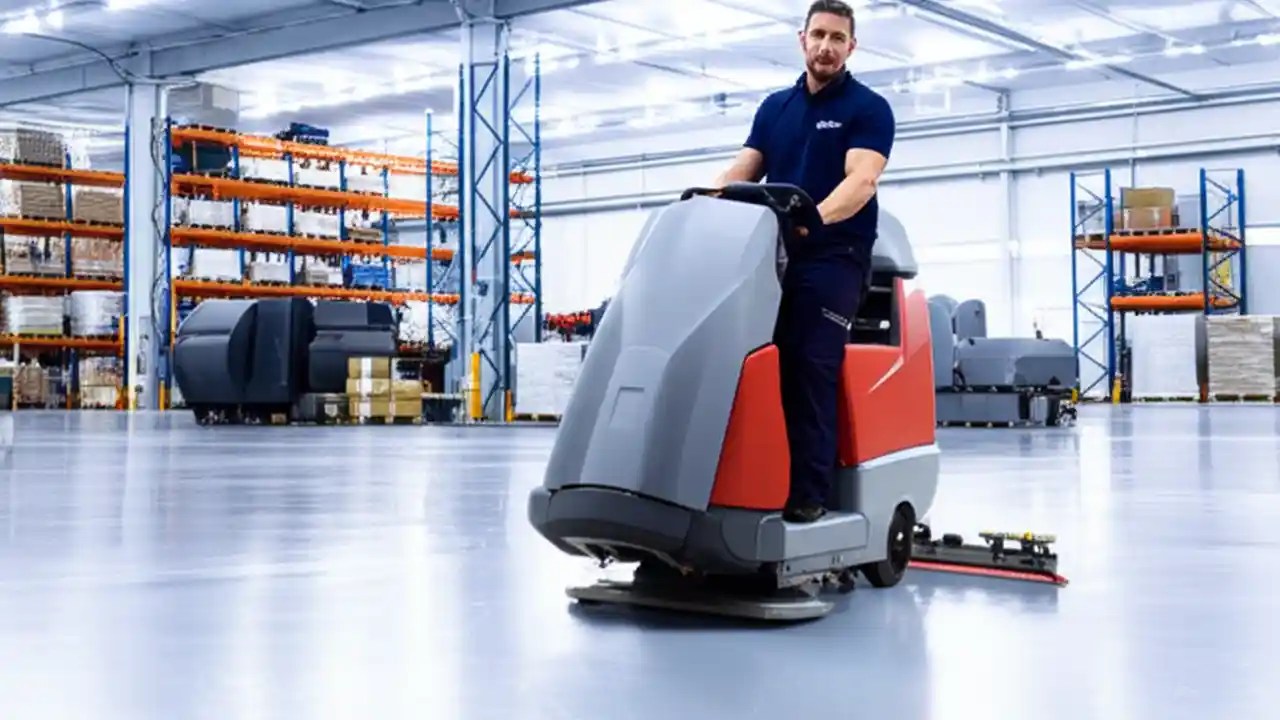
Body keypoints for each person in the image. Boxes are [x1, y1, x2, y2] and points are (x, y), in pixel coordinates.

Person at [713, 0, 895, 523]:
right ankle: (745, 478)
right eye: (819, 35)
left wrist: (814, 218)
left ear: (851, 47)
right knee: (739, 359)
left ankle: (810, 491)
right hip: (773, 254)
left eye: (838, 38)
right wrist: (705, 198)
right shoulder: (775, 108)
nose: (826, 46)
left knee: (808, 361)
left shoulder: (868, 107)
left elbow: (861, 181)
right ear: (802, 39)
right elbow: (745, 168)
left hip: (835, 257)